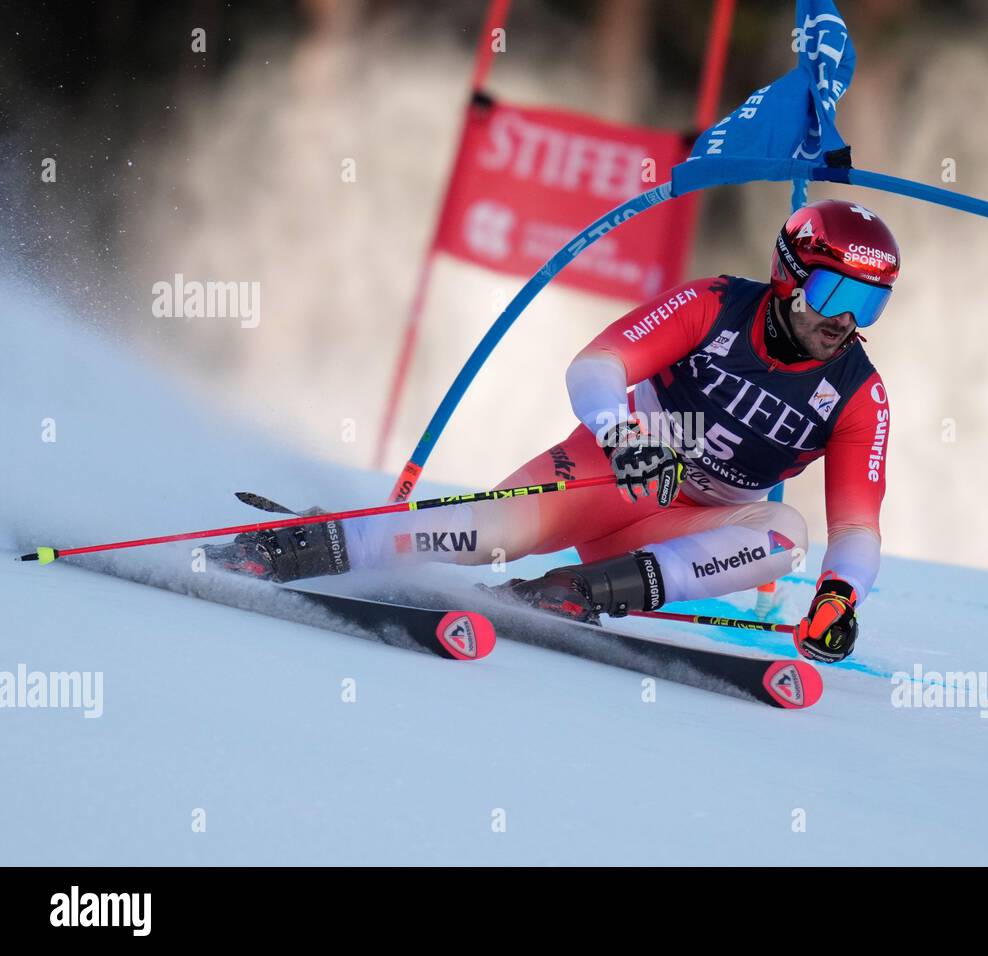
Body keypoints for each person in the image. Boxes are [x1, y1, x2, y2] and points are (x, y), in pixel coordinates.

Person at [214, 199, 897, 664]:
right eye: (834, 294)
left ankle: (573, 592)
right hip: (611, 477)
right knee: (483, 537)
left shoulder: (858, 393)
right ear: (789, 276)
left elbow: (858, 528)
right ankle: (300, 543)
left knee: (784, 536)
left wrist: (839, 597)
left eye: (869, 303)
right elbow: (595, 368)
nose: (846, 321)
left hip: (685, 526)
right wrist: (628, 436)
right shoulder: (714, 305)